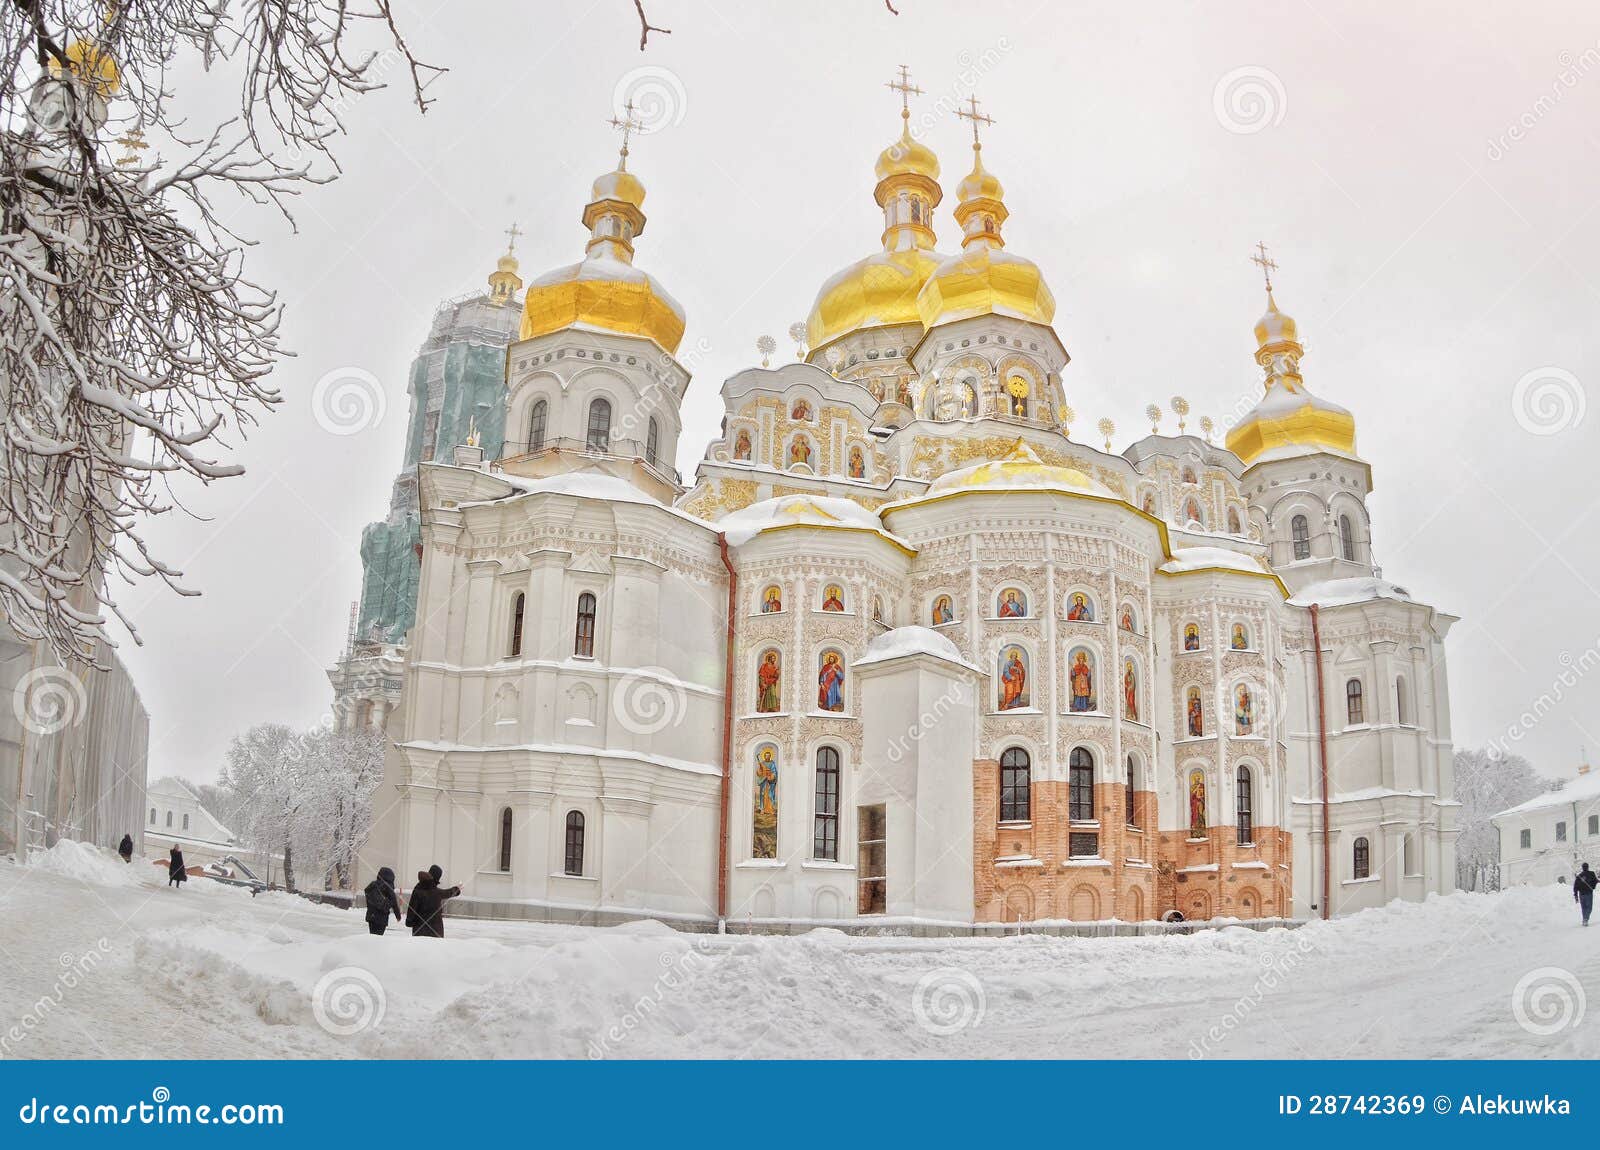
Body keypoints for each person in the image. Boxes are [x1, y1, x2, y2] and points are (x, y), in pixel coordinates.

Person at [406, 866, 460, 938]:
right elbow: (447, 892)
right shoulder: (437, 892)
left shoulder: (418, 889)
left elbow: (412, 907)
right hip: (436, 931)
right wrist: (457, 889)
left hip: (419, 930)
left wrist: (409, 921)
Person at [363, 867, 403, 936]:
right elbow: (393, 902)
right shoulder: (388, 887)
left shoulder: (373, 885)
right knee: (379, 937)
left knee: (372, 935)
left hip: (371, 916)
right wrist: (398, 915)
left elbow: (368, 896)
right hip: (381, 917)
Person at [1574, 862, 1597, 927]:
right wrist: (1592, 887)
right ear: (1588, 867)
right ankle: (1585, 919)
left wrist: (1576, 896)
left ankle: (1584, 920)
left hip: (1581, 894)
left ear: (1582, 867)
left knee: (1584, 908)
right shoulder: (1591, 873)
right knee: (1589, 908)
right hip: (1588, 893)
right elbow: (1595, 881)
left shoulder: (1579, 876)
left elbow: (1575, 887)